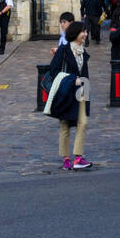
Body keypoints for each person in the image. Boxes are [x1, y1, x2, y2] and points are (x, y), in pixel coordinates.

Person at [47, 20, 93, 170]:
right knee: (65, 126)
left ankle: (78, 158)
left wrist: (86, 93)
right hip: (66, 92)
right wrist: (72, 80)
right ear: (75, 34)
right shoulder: (64, 50)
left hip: (81, 90)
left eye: (86, 31)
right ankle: (66, 159)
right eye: (83, 32)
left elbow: (84, 73)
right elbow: (54, 70)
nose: (85, 34)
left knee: (83, 123)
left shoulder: (82, 51)